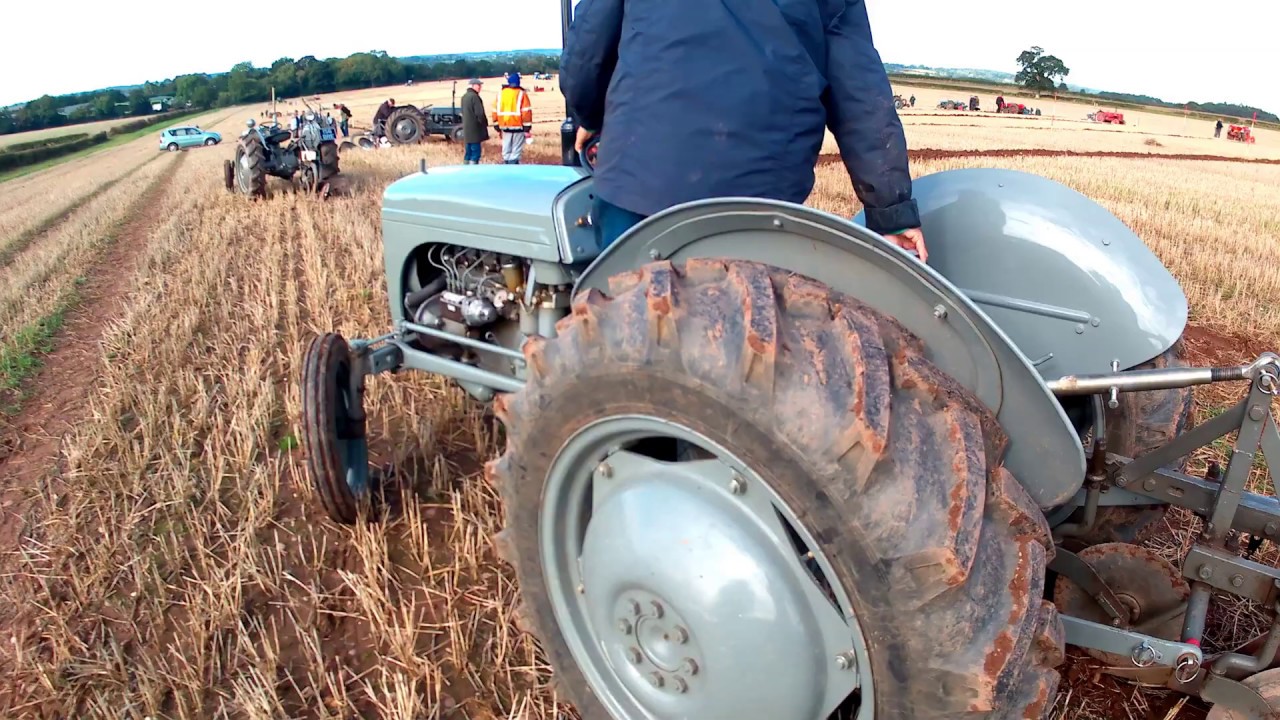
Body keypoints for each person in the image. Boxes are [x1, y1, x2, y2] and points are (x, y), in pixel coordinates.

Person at [562, 0, 927, 261]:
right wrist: (890, 210)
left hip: (638, 180)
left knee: (623, 331)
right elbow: (859, 90)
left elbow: (587, 50)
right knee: (745, 340)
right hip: (759, 201)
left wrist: (590, 115)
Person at [491, 72, 533, 164]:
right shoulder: (522, 94)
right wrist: (527, 128)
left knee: (506, 150)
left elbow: (494, 111)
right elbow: (526, 112)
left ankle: (506, 166)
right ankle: (513, 168)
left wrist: (496, 125)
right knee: (515, 151)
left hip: (504, 126)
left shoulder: (501, 94)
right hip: (518, 126)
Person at [461, 78, 490, 164]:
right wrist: (484, 123)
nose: (480, 87)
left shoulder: (464, 97)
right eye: (478, 85)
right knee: (475, 153)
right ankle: (473, 170)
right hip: (475, 130)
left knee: (468, 153)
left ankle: (465, 169)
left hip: (467, 129)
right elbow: (480, 114)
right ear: (472, 86)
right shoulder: (475, 97)